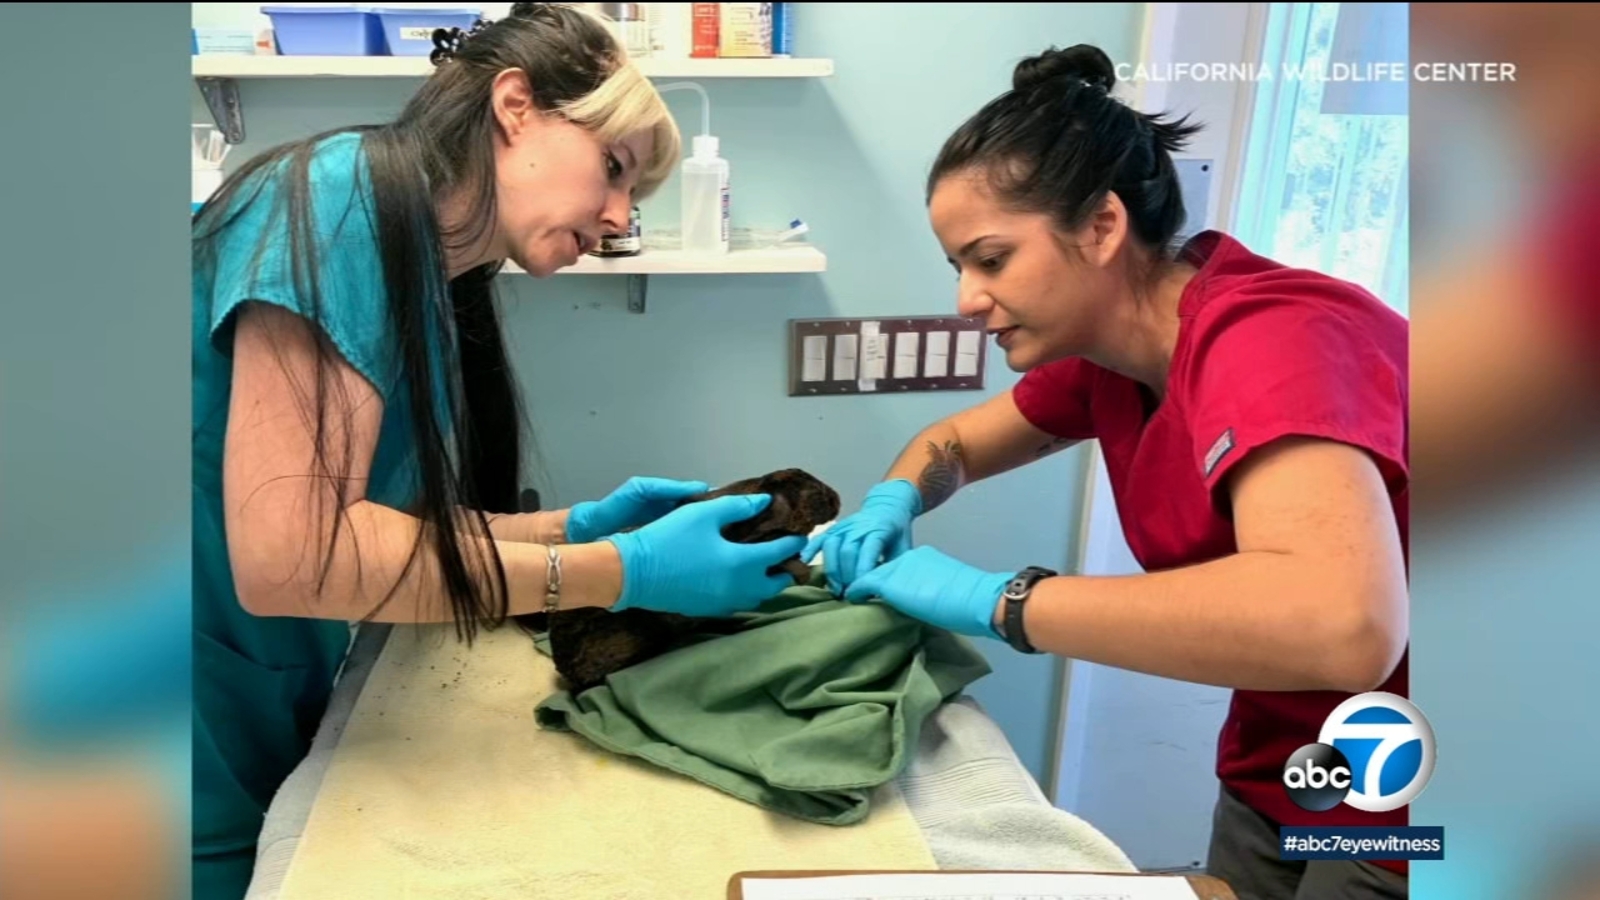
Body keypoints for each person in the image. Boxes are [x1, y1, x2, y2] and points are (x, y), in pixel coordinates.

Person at [190, 5, 804, 898]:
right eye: (615, 169)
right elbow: (296, 554)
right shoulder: (337, 202)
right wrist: (615, 571)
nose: (617, 216)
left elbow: (379, 528)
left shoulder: (428, 278)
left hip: (257, 680)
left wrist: (566, 528)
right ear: (517, 106)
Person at [805, 45, 1410, 900]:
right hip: (1285, 757)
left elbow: (1346, 627)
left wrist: (1002, 603)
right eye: (959, 268)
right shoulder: (1115, 357)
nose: (967, 299)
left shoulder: (1272, 340)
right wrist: (895, 498)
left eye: (990, 258)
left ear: (1101, 227)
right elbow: (956, 443)